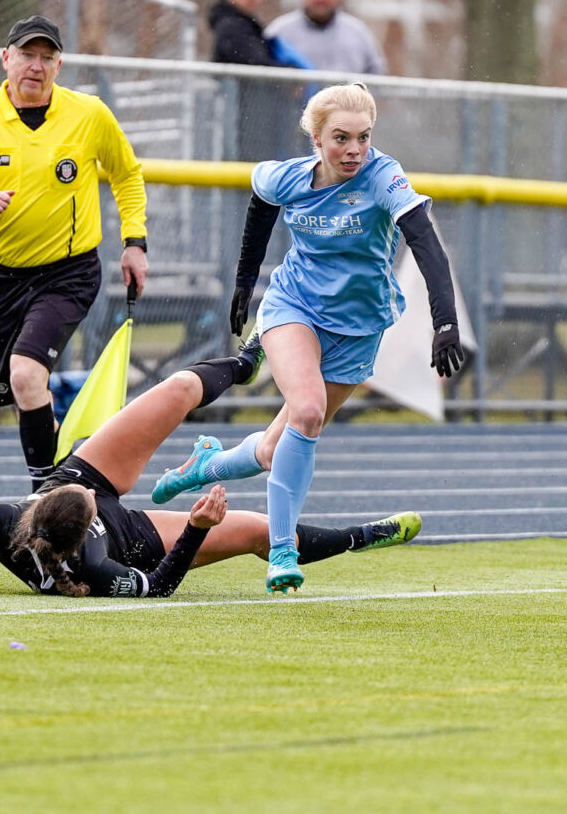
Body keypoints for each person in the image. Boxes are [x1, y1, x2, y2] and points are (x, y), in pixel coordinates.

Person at [152, 82, 465, 594]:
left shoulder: (383, 175)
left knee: (277, 450)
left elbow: (422, 236)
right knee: (309, 412)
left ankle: (206, 464)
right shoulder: (289, 176)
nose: (354, 150)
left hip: (361, 328)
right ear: (316, 139)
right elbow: (260, 203)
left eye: (363, 138)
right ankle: (281, 551)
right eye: (341, 138)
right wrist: (244, 282)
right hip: (293, 309)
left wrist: (444, 320)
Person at [0, 350, 420, 597]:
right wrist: (195, 528)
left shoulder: (0, 522)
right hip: (136, 540)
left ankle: (244, 358)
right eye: (85, 498)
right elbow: (161, 586)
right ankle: (363, 536)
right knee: (260, 532)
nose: (84, 489)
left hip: (73, 511)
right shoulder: (100, 568)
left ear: (37, 507)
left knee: (181, 387)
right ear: (87, 528)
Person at [0, 15, 148, 489]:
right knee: (26, 395)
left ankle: (43, 497)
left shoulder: (88, 114)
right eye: (27, 55)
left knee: (26, 375)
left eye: (47, 58)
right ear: (6, 59)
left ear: (59, 65)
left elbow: (127, 174)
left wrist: (134, 242)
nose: (37, 66)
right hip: (5, 278)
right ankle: (64, 479)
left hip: (69, 273)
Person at [208, 0, 305, 160]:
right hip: (243, 121)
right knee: (245, 173)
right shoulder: (232, 26)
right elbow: (257, 65)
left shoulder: (242, 22)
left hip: (250, 118)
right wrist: (291, 74)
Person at [264, 0, 387, 75]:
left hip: (344, 100)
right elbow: (263, 68)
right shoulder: (280, 30)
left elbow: (376, 71)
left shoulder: (357, 31)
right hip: (295, 101)